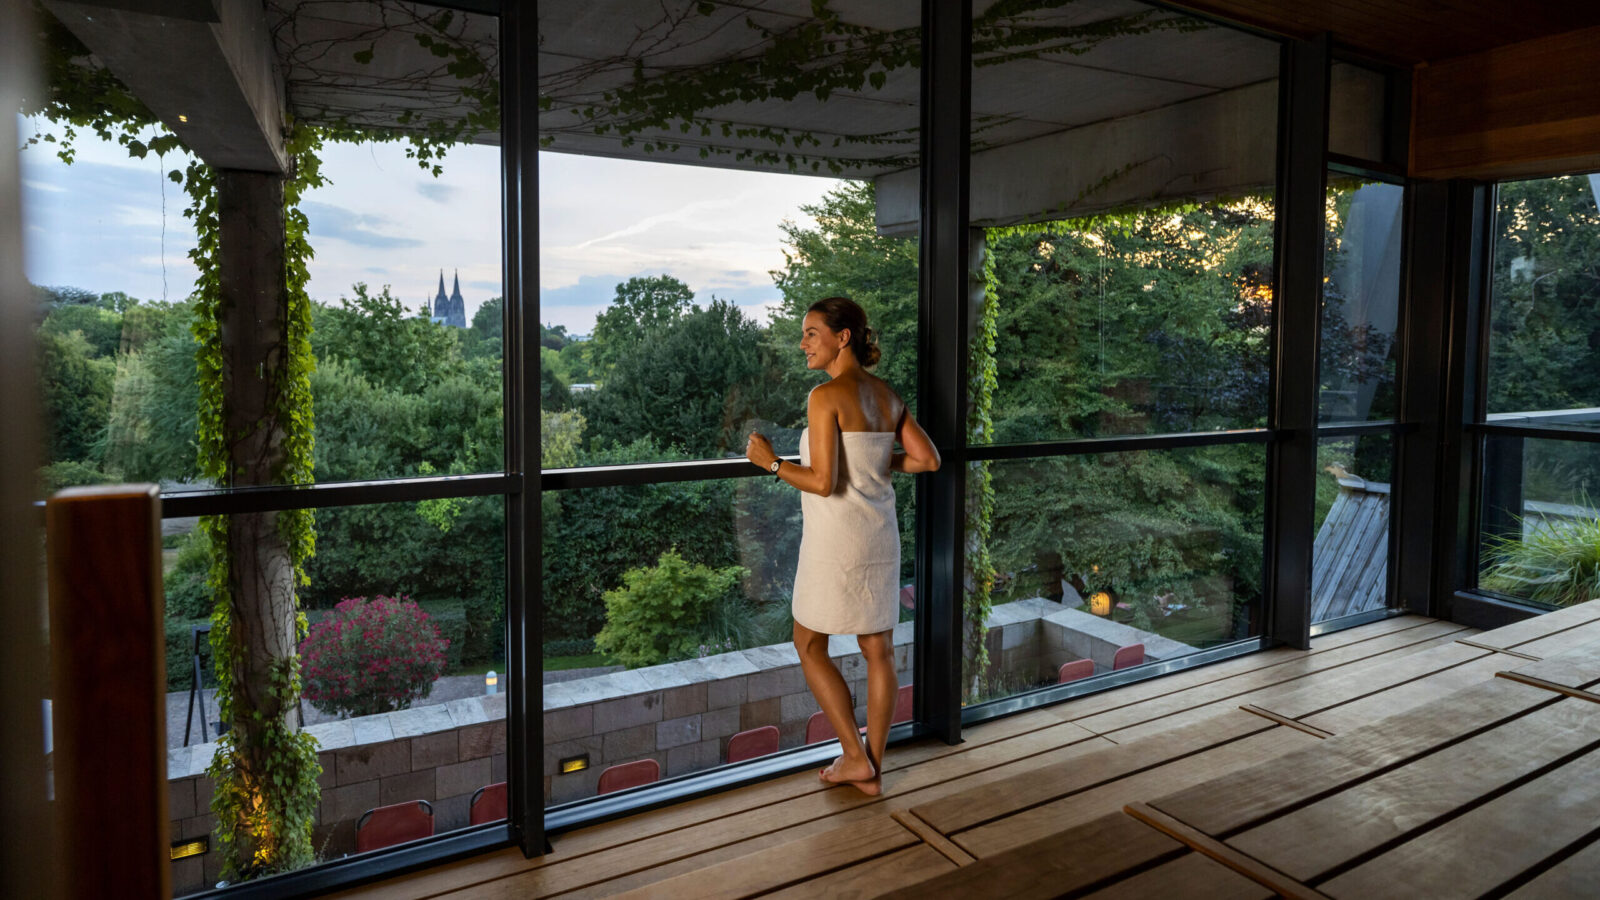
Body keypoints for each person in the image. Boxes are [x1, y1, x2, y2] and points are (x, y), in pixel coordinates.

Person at [745, 297, 940, 795]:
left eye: (812, 333)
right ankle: (871, 766)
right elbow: (927, 460)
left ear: (843, 337)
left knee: (809, 643)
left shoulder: (826, 395)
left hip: (836, 544)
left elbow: (824, 481)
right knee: (878, 649)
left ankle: (855, 756)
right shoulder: (887, 396)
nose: (803, 342)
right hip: (878, 537)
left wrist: (769, 462)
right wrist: (875, 463)